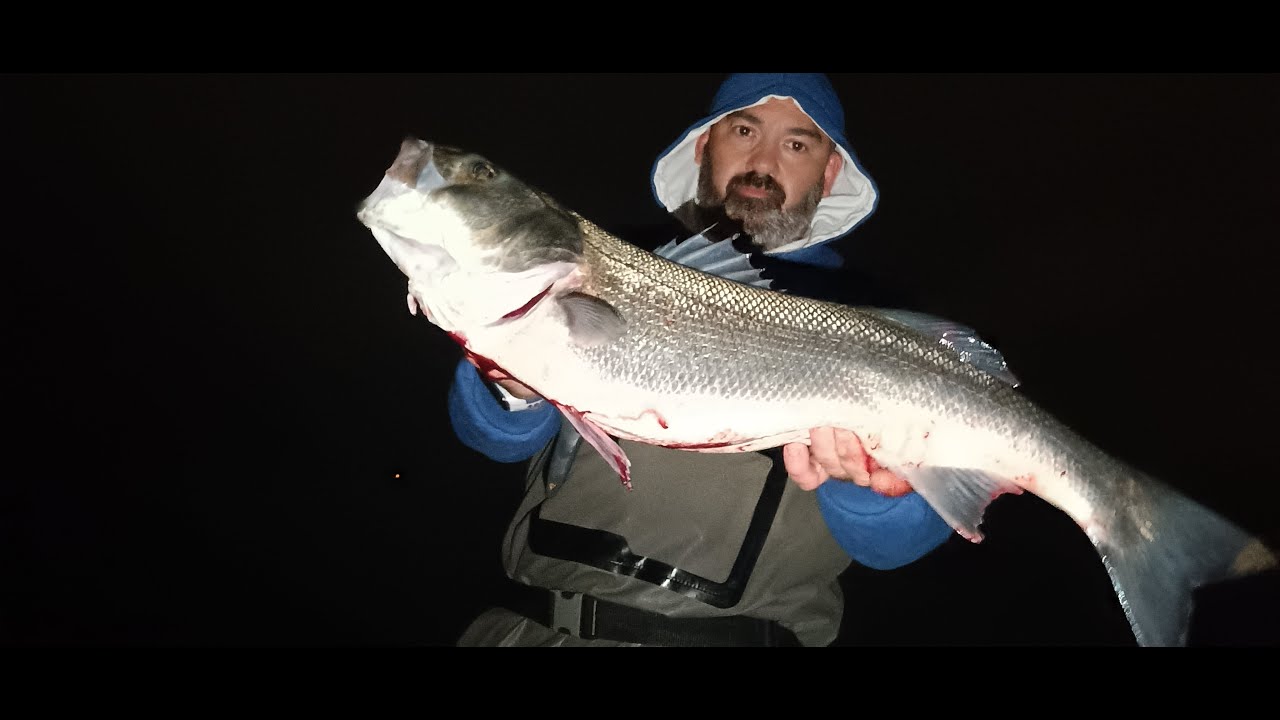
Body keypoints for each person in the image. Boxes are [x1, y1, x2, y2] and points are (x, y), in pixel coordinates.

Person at [449, 73, 955, 646]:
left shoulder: (879, 324)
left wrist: (866, 482)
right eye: (743, 130)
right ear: (703, 146)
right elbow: (493, 440)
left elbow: (894, 548)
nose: (763, 162)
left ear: (829, 171)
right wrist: (511, 383)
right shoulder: (602, 269)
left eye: (797, 144)